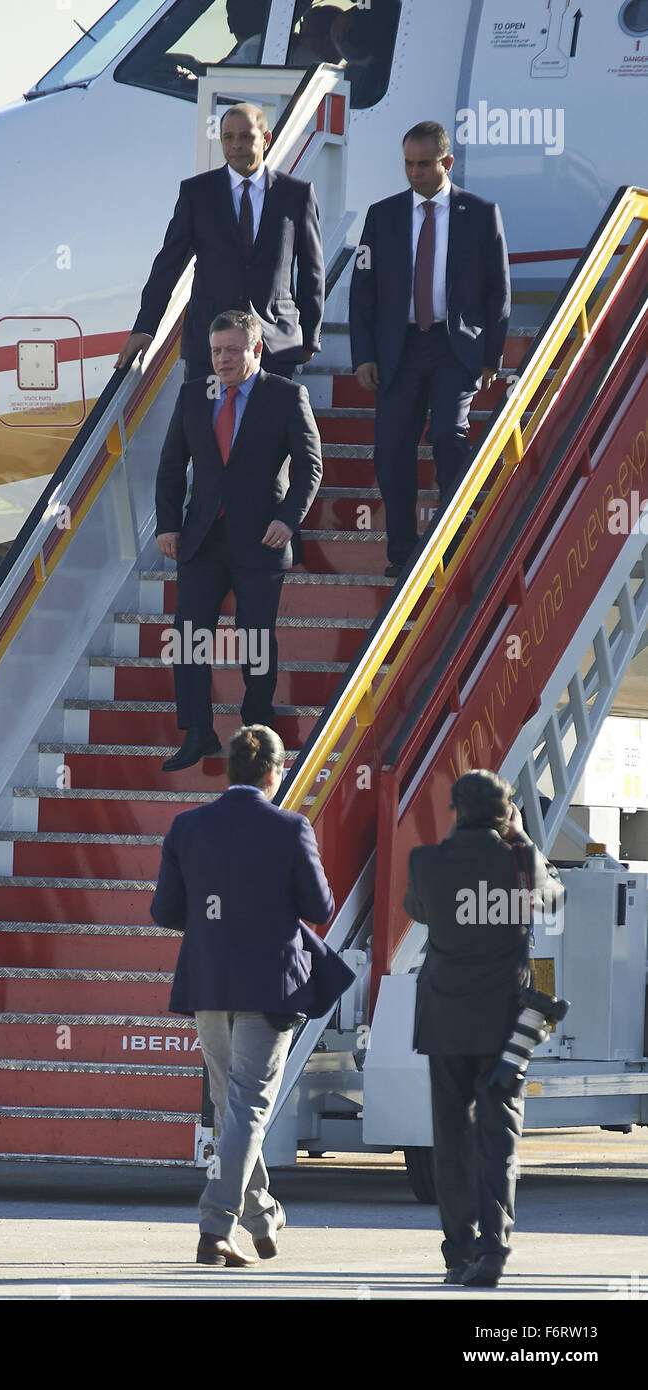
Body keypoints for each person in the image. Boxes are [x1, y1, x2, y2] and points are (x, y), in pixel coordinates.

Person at [150, 724, 355, 1267]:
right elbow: (319, 905)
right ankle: (215, 1226)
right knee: (250, 1104)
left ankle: (261, 1213)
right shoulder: (290, 828)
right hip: (269, 985)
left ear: (227, 769)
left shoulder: (187, 826)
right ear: (274, 772)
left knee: (232, 1107)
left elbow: (164, 911)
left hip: (209, 982)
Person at [404, 770, 565, 1288]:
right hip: (504, 1023)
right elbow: (557, 902)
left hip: (444, 1018)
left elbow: (418, 910)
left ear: (456, 810)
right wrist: (520, 837)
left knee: (451, 1138)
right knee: (500, 1139)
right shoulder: (520, 861)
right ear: (506, 812)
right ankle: (494, 1251)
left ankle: (458, 1253)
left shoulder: (426, 862)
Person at [155, 309, 322, 771]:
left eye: (231, 350)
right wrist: (167, 524)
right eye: (215, 351)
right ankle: (197, 733)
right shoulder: (193, 395)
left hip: (262, 538)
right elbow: (171, 466)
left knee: (255, 639)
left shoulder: (287, 396)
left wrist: (289, 520)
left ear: (256, 349)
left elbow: (310, 466)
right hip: (202, 539)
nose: (222, 360)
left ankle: (257, 735)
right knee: (188, 638)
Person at [349, 120, 510, 577]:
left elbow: (499, 291)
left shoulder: (480, 213)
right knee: (391, 450)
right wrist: (364, 354)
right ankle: (402, 552)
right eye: (408, 164)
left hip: (453, 348)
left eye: (424, 164)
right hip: (399, 349)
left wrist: (490, 357)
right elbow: (363, 290)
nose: (415, 173)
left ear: (447, 163)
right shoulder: (381, 217)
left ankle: (453, 543)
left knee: (448, 437)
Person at [115, 102, 324, 385]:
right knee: (207, 429)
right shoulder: (196, 193)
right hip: (209, 344)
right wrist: (145, 327)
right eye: (228, 137)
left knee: (267, 429)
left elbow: (312, 270)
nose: (236, 144)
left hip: (275, 343)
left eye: (246, 136)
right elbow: (168, 264)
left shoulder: (297, 195)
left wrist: (310, 336)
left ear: (266, 139)